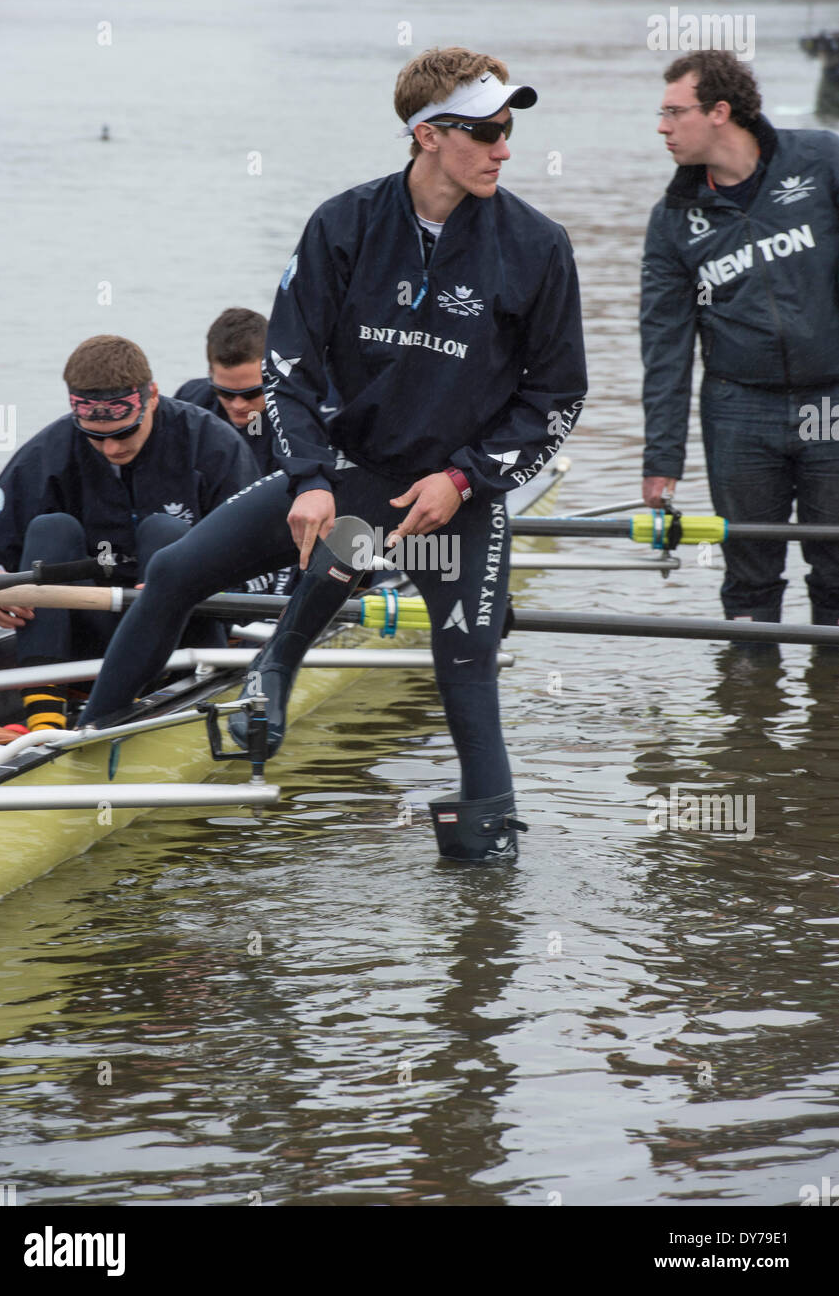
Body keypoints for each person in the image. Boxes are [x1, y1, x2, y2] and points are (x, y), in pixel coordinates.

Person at [82, 46, 587, 861]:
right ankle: (91, 739)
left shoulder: (536, 246)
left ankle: (483, 866)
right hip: (345, 479)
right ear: (426, 134)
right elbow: (288, 368)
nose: (505, 148)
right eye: (487, 130)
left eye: (508, 130)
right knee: (174, 573)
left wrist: (464, 478)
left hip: (453, 500)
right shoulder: (343, 225)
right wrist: (309, 477)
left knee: (467, 674)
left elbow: (557, 396)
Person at [641, 48, 839, 627]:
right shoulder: (674, 218)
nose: (662, 127)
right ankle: (750, 712)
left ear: (720, 111)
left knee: (837, 575)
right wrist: (662, 459)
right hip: (738, 412)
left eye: (675, 112)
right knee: (750, 584)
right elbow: (665, 348)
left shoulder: (822, 159)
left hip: (831, 401)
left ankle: (827, 713)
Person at [0, 335, 259, 730]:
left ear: (152, 397)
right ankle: (44, 723)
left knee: (167, 535)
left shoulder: (213, 446)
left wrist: (183, 583)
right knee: (51, 529)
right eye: (95, 436)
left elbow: (259, 558)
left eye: (124, 433)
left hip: (185, 633)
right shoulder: (50, 451)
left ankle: (159, 696)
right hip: (92, 631)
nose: (110, 449)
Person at [174, 307, 277, 476]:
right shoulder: (188, 402)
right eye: (225, 393)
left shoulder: (297, 419)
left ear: (272, 374)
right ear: (210, 374)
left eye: (251, 393)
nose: (238, 405)